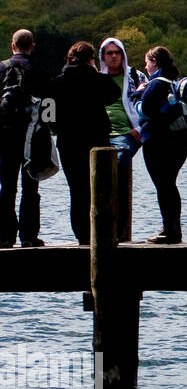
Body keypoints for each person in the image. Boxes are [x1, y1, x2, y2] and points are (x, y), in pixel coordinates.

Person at [51, 42, 118, 244]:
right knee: (99, 190)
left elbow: (48, 116)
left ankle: (82, 236)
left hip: (68, 143)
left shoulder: (57, 82)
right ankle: (101, 234)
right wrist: (95, 73)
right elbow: (113, 94)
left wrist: (58, 127)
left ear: (69, 58)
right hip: (97, 142)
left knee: (76, 190)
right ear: (91, 59)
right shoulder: (99, 80)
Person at [135, 46, 187, 244]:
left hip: (159, 142)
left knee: (164, 186)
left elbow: (146, 111)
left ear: (155, 63)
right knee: (169, 184)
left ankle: (169, 230)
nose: (145, 66)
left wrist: (137, 95)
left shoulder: (156, 84)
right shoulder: (174, 81)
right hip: (182, 139)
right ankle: (173, 229)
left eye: (147, 62)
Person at [0, 29, 49, 248]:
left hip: (4, 136)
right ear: (32, 46)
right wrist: (48, 127)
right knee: (31, 188)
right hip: (32, 137)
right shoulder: (38, 70)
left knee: (7, 187)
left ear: (13, 46)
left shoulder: (1, 68)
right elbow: (49, 104)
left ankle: (5, 236)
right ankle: (28, 236)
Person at [98, 37, 147, 172]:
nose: (114, 56)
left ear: (123, 54)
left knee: (118, 162)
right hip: (101, 134)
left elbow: (151, 107)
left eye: (117, 52)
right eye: (109, 53)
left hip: (128, 134)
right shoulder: (96, 79)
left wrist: (139, 129)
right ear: (102, 56)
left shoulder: (137, 77)